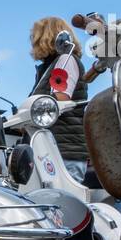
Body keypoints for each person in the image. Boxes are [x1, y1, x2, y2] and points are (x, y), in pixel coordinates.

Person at [28, 16, 88, 180]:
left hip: (62, 153)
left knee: (63, 203)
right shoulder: (51, 67)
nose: (32, 41)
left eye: (35, 36)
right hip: (54, 150)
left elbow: (59, 99)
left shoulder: (65, 60)